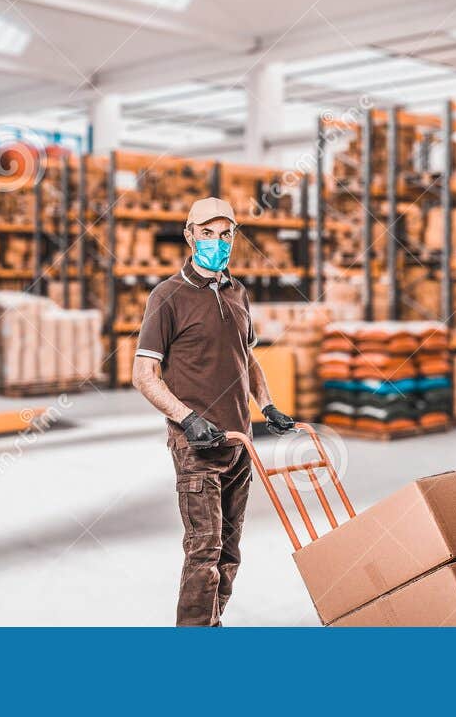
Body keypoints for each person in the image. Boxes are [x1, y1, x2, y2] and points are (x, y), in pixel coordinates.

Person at [131, 196, 295, 626]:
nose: (217, 243)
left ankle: (212, 623)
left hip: (240, 442)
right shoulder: (166, 297)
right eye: (207, 233)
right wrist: (187, 418)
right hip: (196, 446)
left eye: (226, 235)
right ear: (189, 235)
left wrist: (269, 405)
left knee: (230, 547)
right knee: (203, 548)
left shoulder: (238, 291)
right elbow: (144, 375)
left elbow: (249, 359)